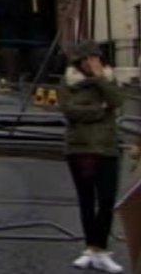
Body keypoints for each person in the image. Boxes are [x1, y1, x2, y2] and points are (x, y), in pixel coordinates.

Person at [59, 42, 124, 273]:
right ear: (79, 62)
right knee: (86, 201)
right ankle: (91, 248)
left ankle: (99, 250)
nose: (90, 63)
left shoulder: (107, 78)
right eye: (86, 59)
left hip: (107, 148)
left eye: (94, 58)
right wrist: (100, 109)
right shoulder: (69, 81)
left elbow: (117, 101)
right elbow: (69, 110)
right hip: (80, 148)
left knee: (106, 200)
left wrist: (99, 80)